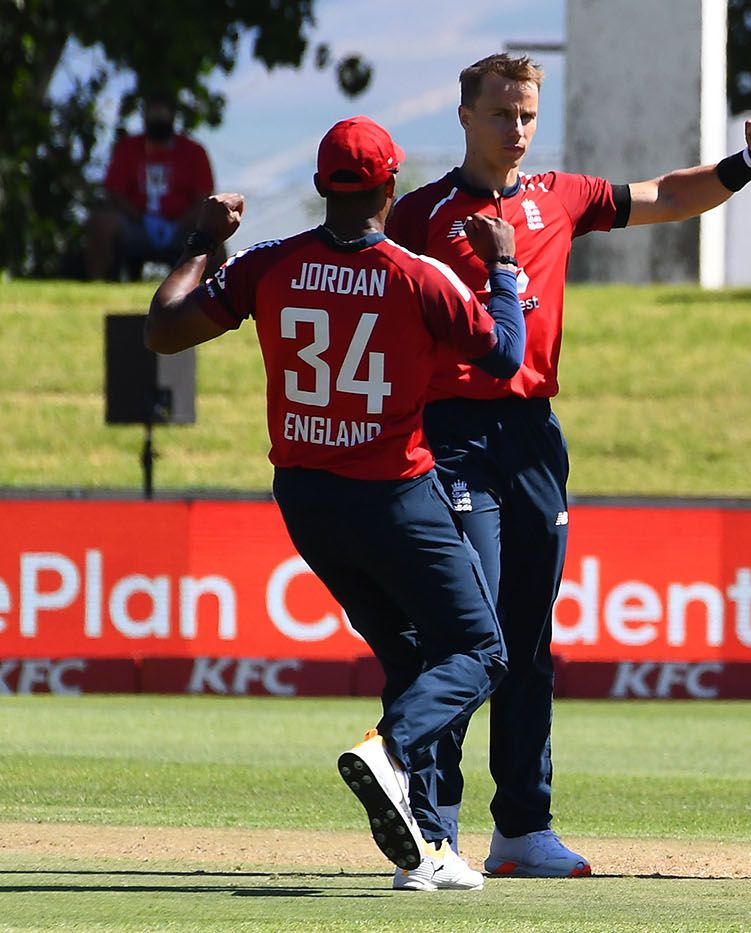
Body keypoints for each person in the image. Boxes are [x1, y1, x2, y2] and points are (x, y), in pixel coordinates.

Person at [385, 53, 751, 878]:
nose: (518, 130)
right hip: (451, 434)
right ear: (464, 117)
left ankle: (522, 829)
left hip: (533, 437)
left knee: (529, 637)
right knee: (470, 632)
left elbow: (670, 197)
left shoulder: (559, 196)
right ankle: (434, 825)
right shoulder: (421, 213)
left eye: (528, 114)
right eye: (502, 114)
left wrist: (748, 162)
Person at [143, 116, 526, 892]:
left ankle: (425, 847)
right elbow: (507, 355)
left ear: (323, 185)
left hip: (307, 499)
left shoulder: (267, 265)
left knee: (411, 653)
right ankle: (388, 749)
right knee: (482, 651)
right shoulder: (417, 276)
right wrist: (506, 269)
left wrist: (198, 240)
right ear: (390, 186)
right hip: (394, 494)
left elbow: (164, 331)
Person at [88, 90, 217, 280]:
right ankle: (98, 283)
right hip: (137, 226)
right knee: (101, 222)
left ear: (173, 117)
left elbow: (203, 199)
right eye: (153, 114)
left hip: (180, 230)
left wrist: (177, 225)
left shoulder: (193, 152)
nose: (158, 120)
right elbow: (114, 192)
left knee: (214, 235)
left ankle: (214, 297)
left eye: (163, 115)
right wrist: (141, 218)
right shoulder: (128, 148)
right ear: (144, 116)